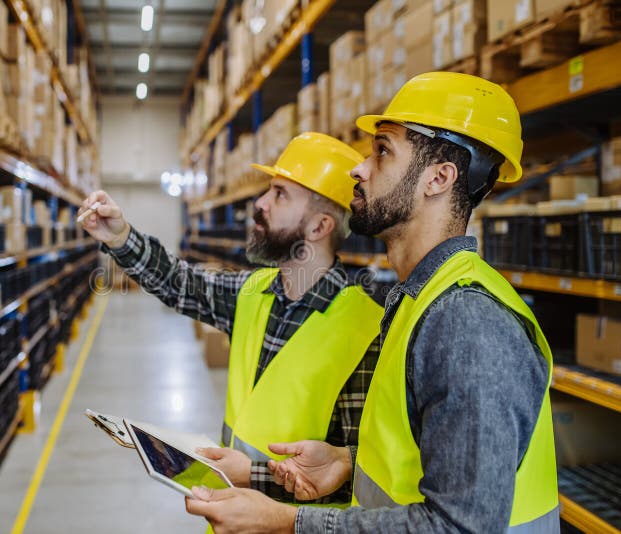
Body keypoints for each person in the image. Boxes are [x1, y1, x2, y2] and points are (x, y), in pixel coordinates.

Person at [185, 71, 560, 533]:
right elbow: (424, 457)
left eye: (383, 150)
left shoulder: (467, 321)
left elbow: (457, 526)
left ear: (438, 178)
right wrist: (346, 461)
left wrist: (287, 521)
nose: (359, 169)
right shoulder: (416, 301)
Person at [80, 132, 384, 507]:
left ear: (320, 227)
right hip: (234, 516)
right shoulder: (253, 292)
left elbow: (360, 475)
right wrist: (120, 237)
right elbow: (180, 282)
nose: (260, 204)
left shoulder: (365, 328)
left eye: (279, 194)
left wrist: (250, 475)